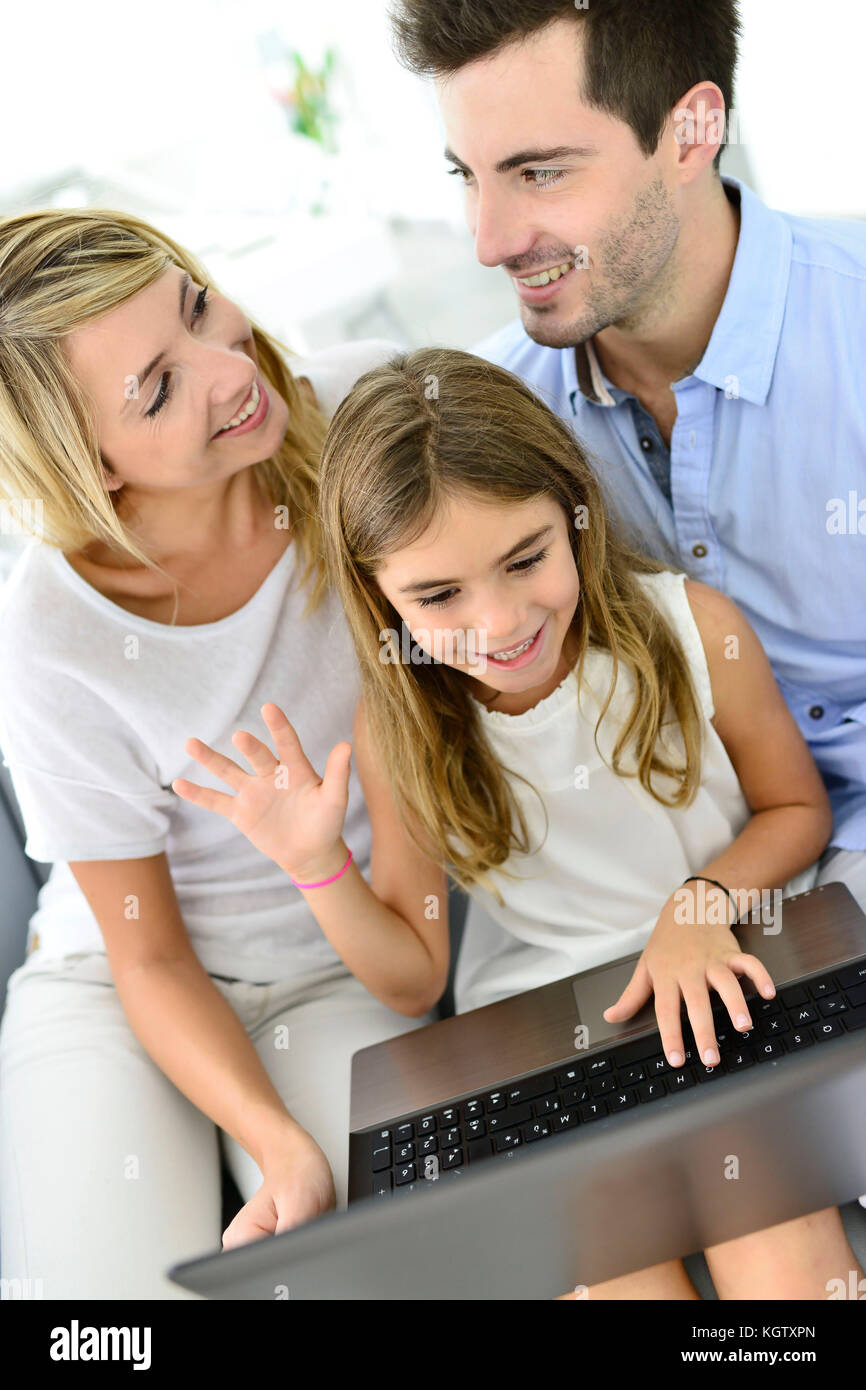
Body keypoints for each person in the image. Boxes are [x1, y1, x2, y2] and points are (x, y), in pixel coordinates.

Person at [175, 344, 864, 1299]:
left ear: (573, 510)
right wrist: (315, 863)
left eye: (526, 559)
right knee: (616, 1276)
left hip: (726, 977)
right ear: (381, 597)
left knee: (785, 1265)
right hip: (548, 1034)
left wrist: (699, 906)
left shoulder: (695, 628)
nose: (498, 624)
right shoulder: (404, 728)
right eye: (438, 596)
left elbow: (797, 809)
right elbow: (413, 978)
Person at [0, 207, 427, 1300]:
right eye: (157, 388)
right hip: (119, 978)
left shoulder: (364, 417)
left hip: (332, 958)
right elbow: (146, 956)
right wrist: (270, 1139)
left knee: (418, 1265)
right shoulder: (52, 633)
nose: (225, 368)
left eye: (195, 307)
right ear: (87, 463)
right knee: (108, 1315)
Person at [388, 0, 866, 928]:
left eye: (540, 172)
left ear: (691, 132)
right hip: (685, 906)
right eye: (470, 176)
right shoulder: (492, 423)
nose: (490, 240)